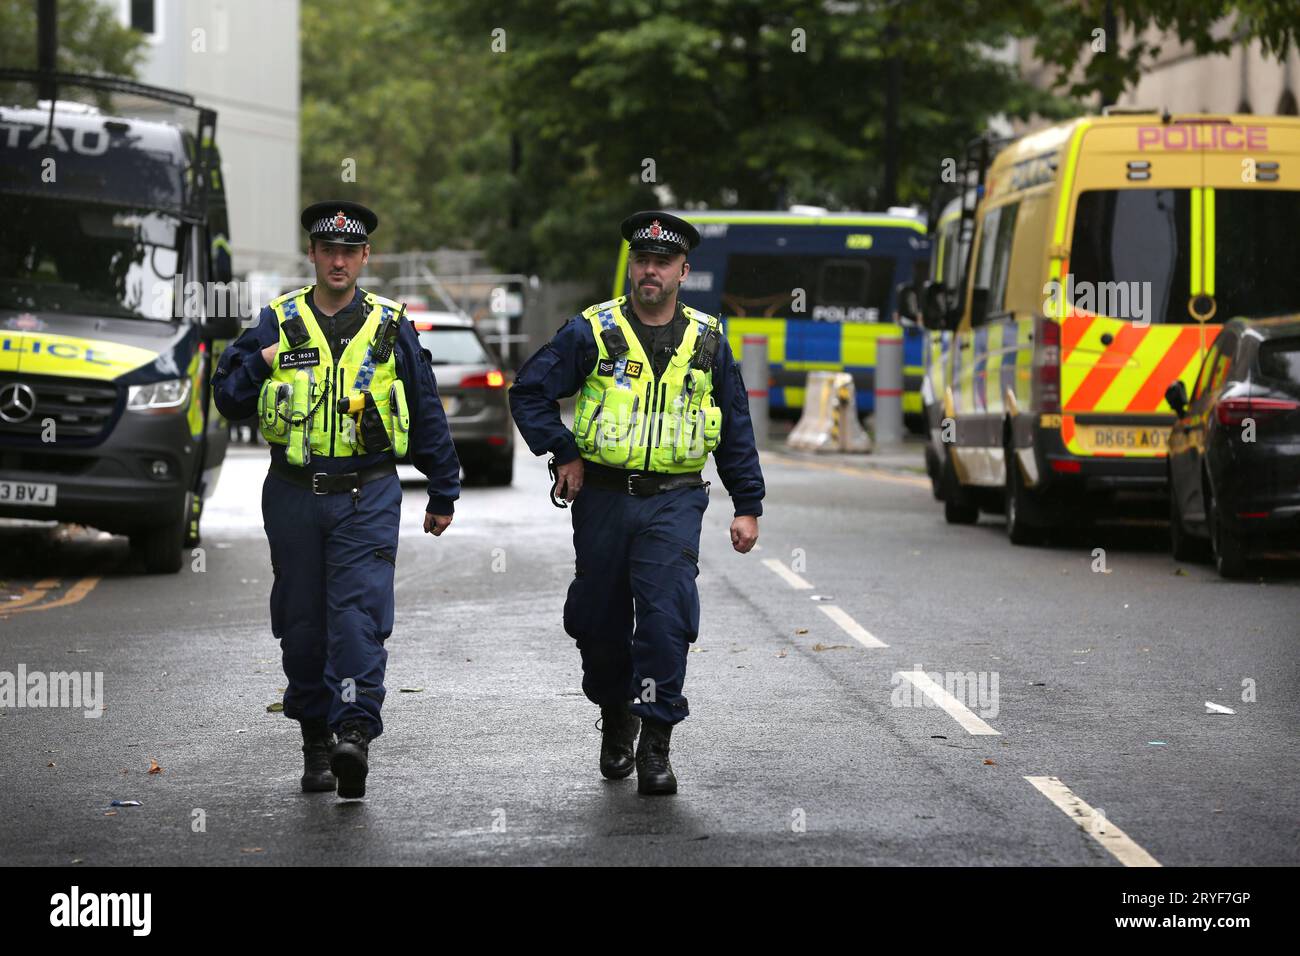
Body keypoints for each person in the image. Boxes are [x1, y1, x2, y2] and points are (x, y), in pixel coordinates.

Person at [509, 210, 766, 795]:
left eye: (662, 262)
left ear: (683, 270)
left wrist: (746, 503)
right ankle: (616, 713)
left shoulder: (707, 340)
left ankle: (655, 741)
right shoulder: (591, 332)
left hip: (673, 501)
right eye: (641, 260)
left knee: (665, 619)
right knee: (599, 624)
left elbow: (735, 427)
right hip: (601, 498)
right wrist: (564, 452)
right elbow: (529, 392)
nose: (650, 271)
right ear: (632, 265)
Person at [212, 200, 460, 799]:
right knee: (302, 625)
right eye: (330, 250)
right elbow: (227, 397)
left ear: (365, 257)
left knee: (357, 616)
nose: (340, 260)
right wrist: (262, 362)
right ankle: (315, 742)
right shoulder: (277, 321)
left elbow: (425, 409)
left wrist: (443, 488)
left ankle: (353, 731)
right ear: (314, 256)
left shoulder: (390, 325)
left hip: (367, 492)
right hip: (294, 493)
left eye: (351, 251)